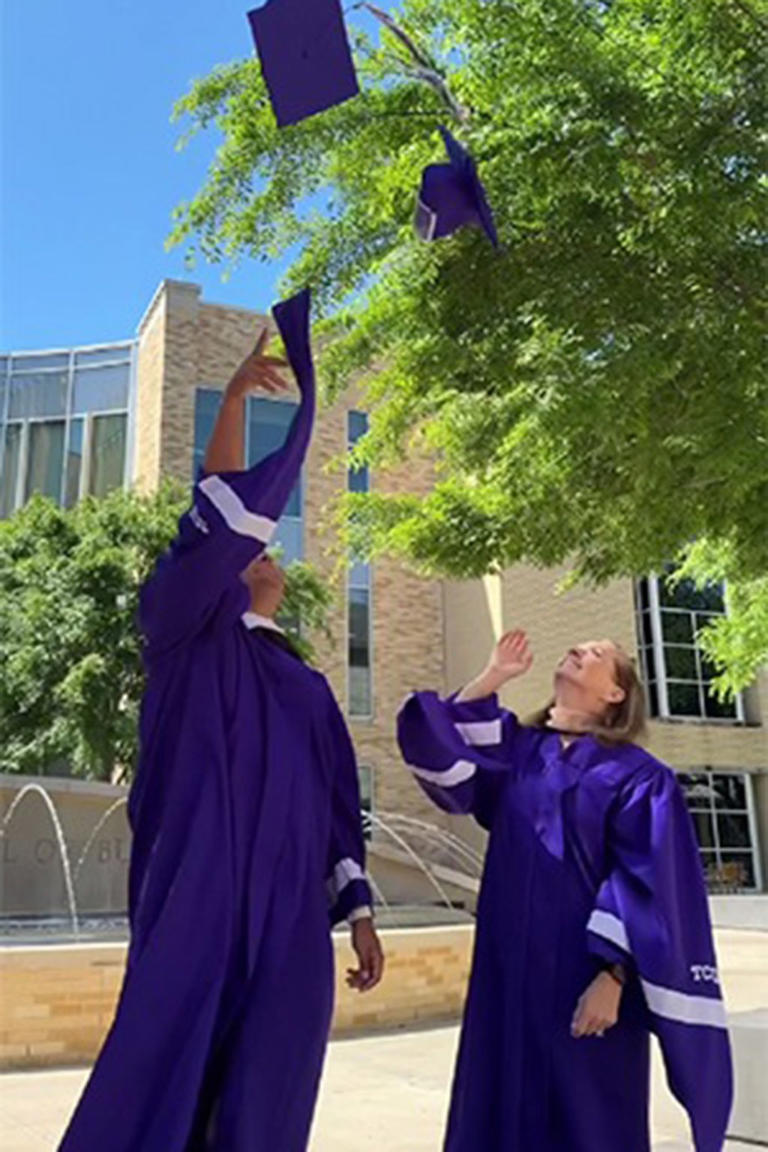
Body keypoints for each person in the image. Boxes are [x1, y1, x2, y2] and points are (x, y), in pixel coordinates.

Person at [58, 289, 384, 1152]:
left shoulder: (307, 688)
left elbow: (336, 806)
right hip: (197, 889)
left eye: (268, 550)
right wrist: (236, 402)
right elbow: (215, 516)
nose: (261, 552)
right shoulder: (185, 632)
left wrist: (357, 912)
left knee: (271, 1078)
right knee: (166, 1064)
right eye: (251, 549)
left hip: (285, 912)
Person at [397, 629, 732, 1152]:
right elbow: (450, 766)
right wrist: (493, 678)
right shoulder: (519, 752)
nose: (579, 649)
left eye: (597, 653)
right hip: (507, 971)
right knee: (497, 1100)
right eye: (578, 646)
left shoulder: (639, 777)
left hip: (583, 973)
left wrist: (613, 975)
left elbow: (644, 880)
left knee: (585, 1114)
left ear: (615, 694)